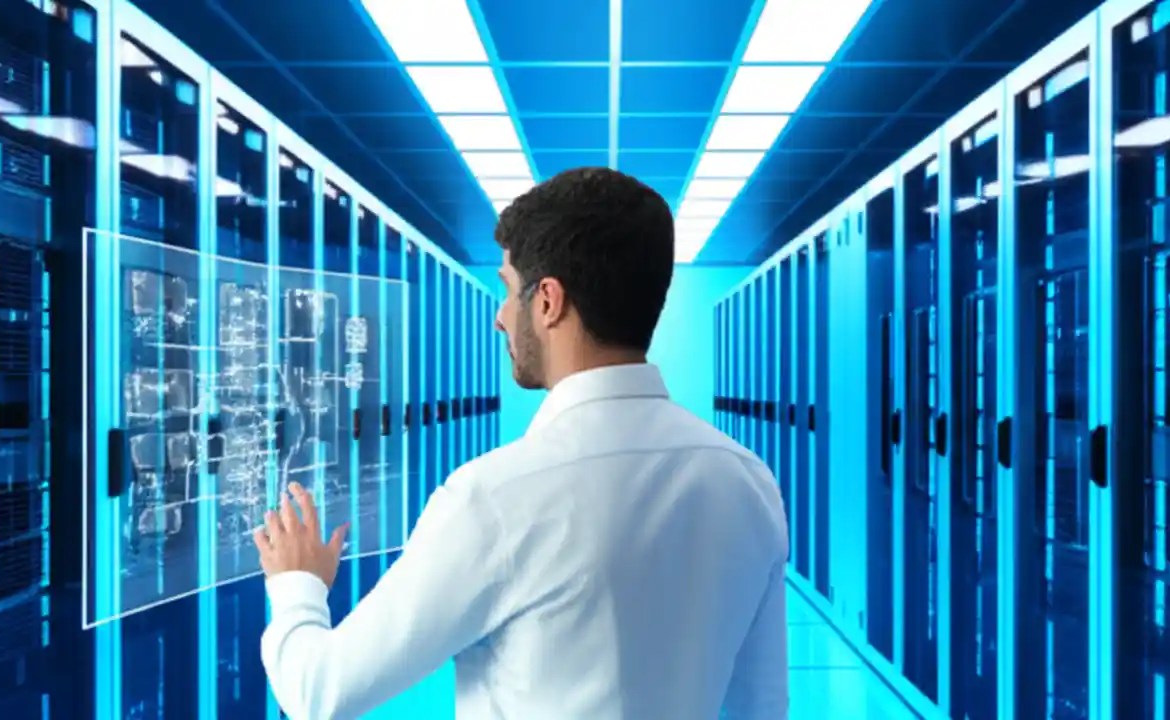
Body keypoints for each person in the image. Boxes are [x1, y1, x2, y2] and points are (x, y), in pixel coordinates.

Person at [254, 167, 789, 719]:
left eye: (509, 289)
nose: (500, 316)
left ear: (549, 301)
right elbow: (762, 707)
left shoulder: (495, 498)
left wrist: (298, 583)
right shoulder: (747, 479)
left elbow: (318, 692)